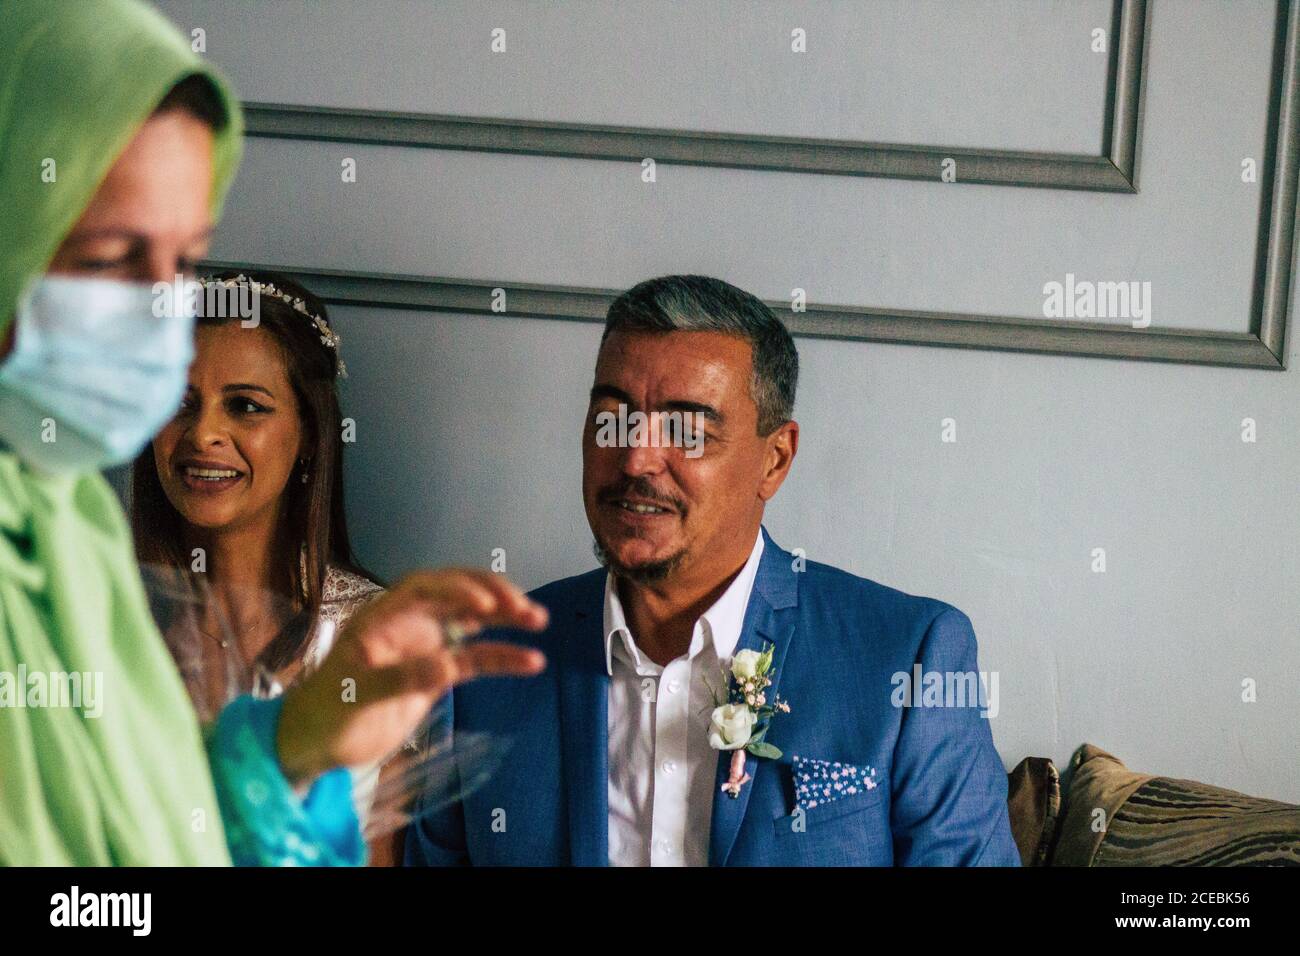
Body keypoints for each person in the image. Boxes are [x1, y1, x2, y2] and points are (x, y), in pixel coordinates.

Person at [0, 0, 545, 866]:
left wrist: (292, 746)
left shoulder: (71, 533)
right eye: (111, 258)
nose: (154, 315)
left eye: (179, 266)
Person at [405, 275, 1020, 866]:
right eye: (612, 419)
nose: (638, 457)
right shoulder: (480, 667)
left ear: (773, 462)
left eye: (687, 431)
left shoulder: (908, 655)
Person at [131, 269, 396, 853]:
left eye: (245, 407)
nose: (203, 434)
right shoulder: (98, 615)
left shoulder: (371, 635)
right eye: (179, 402)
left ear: (308, 435)